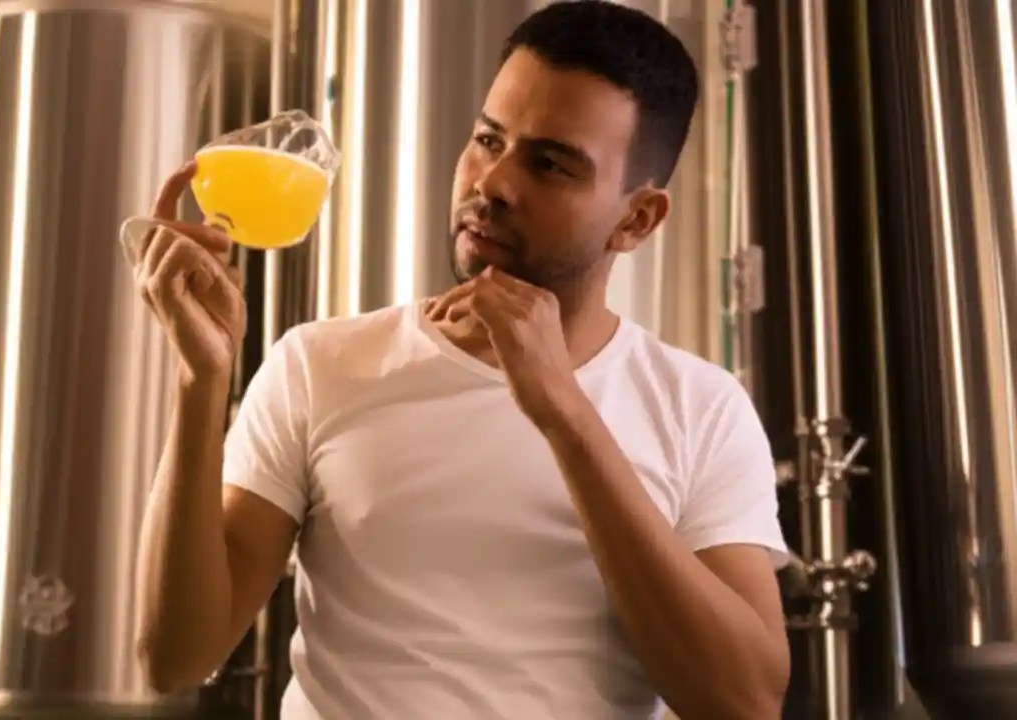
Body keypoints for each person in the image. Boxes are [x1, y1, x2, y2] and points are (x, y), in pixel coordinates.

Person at [130, 1, 791, 718]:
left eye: (550, 164)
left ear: (637, 219)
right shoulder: (319, 364)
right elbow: (174, 658)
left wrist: (565, 413)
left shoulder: (702, 406)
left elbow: (744, 702)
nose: (492, 183)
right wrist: (202, 383)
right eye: (487, 139)